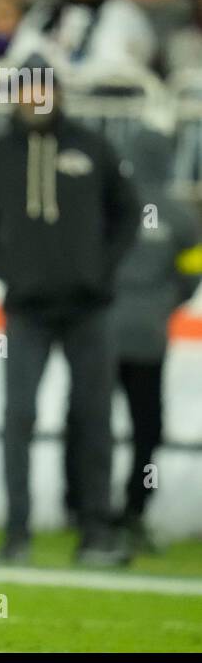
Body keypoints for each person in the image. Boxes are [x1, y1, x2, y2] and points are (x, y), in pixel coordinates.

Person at [0, 54, 139, 566]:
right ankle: (17, 531)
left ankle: (96, 529)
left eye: (45, 89)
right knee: (19, 417)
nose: (37, 99)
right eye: (28, 89)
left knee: (94, 418)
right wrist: (10, 272)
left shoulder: (93, 148)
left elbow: (127, 214)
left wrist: (100, 269)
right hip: (27, 308)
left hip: (89, 307)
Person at [106, 128, 201, 552]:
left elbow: (86, 261)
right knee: (147, 428)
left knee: (90, 423)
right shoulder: (182, 217)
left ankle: (85, 507)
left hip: (101, 336)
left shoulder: (109, 207)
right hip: (149, 339)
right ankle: (135, 508)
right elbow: (194, 273)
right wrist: (164, 303)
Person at [6, 0, 156, 80]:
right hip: (53, 96)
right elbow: (21, 54)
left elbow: (134, 60)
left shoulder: (124, 13)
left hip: (108, 97)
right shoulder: (46, 13)